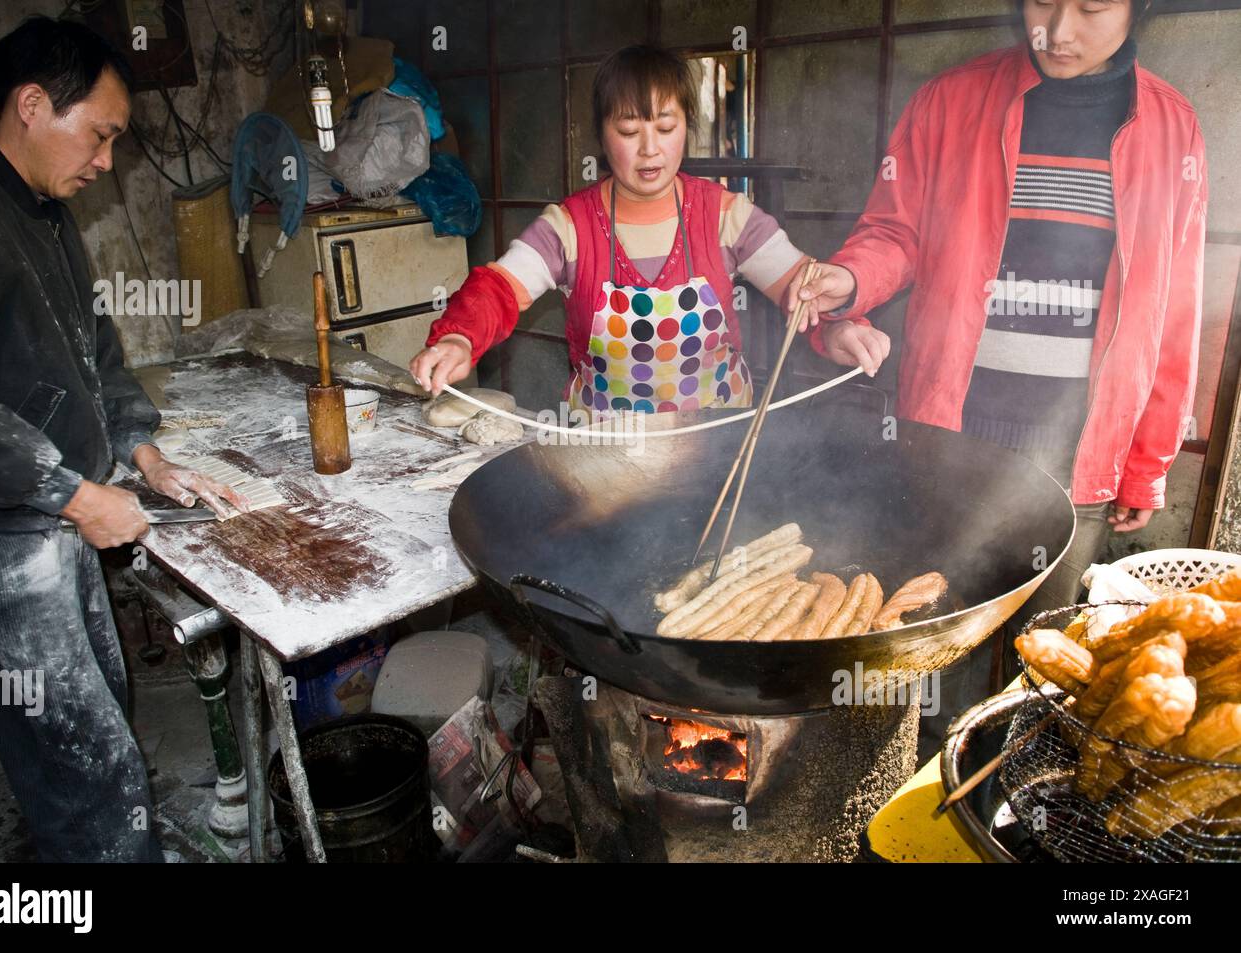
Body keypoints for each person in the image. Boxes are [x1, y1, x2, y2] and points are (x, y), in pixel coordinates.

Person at [798, 0, 1205, 734]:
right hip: (951, 436)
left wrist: (1147, 461)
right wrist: (850, 281)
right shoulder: (951, 100)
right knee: (921, 649)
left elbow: (1174, 306)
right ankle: (897, 806)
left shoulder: (1172, 128)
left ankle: (1001, 813)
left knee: (1041, 673)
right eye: (1044, 1)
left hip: (1075, 453)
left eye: (1091, 6)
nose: (1059, 29)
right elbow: (894, 231)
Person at [0, 17, 248, 862]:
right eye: (102, 134)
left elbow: (95, 351)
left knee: (101, 718)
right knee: (86, 764)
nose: (107, 161)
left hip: (59, 516)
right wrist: (77, 496)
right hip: (1, 542)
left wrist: (143, 453)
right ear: (33, 105)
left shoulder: (39, 208)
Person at [410, 45, 820, 415]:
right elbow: (498, 289)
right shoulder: (570, 226)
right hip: (604, 457)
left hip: (714, 447)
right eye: (628, 131)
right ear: (602, 136)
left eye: (665, 128)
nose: (649, 149)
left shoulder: (726, 216)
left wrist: (840, 324)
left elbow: (805, 289)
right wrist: (460, 337)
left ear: (687, 126)